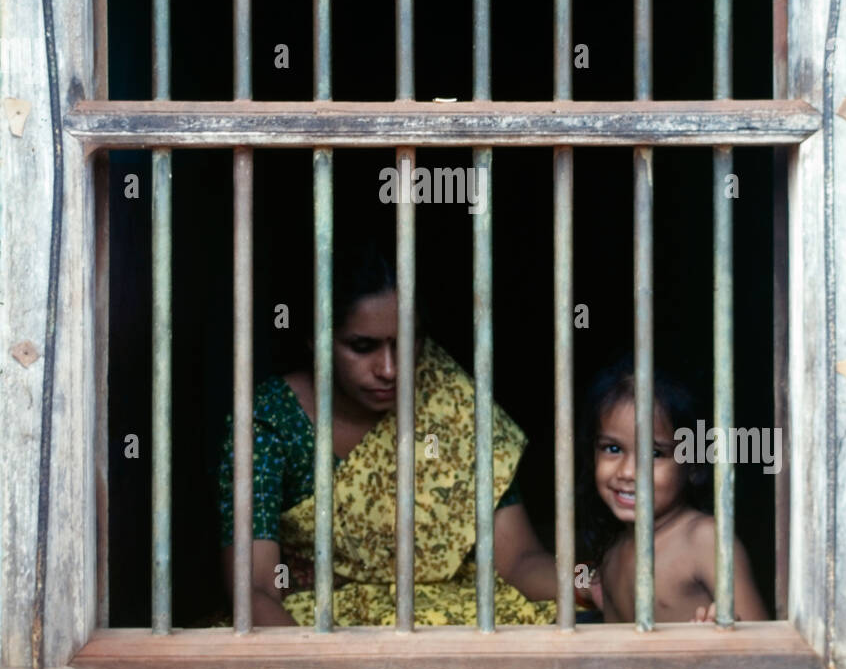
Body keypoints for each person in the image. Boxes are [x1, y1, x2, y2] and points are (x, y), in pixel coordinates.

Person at [219, 239, 591, 626]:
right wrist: (317, 662)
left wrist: (591, 586)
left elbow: (518, 561)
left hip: (454, 619)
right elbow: (255, 590)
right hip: (323, 630)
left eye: (406, 343)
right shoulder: (272, 421)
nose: (389, 369)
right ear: (316, 338)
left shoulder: (450, 401)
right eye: (362, 347)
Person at [574, 356, 767, 623]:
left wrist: (720, 638)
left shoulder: (705, 540)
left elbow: (763, 640)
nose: (627, 472)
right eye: (613, 448)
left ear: (695, 466)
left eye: (655, 453)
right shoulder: (612, 552)